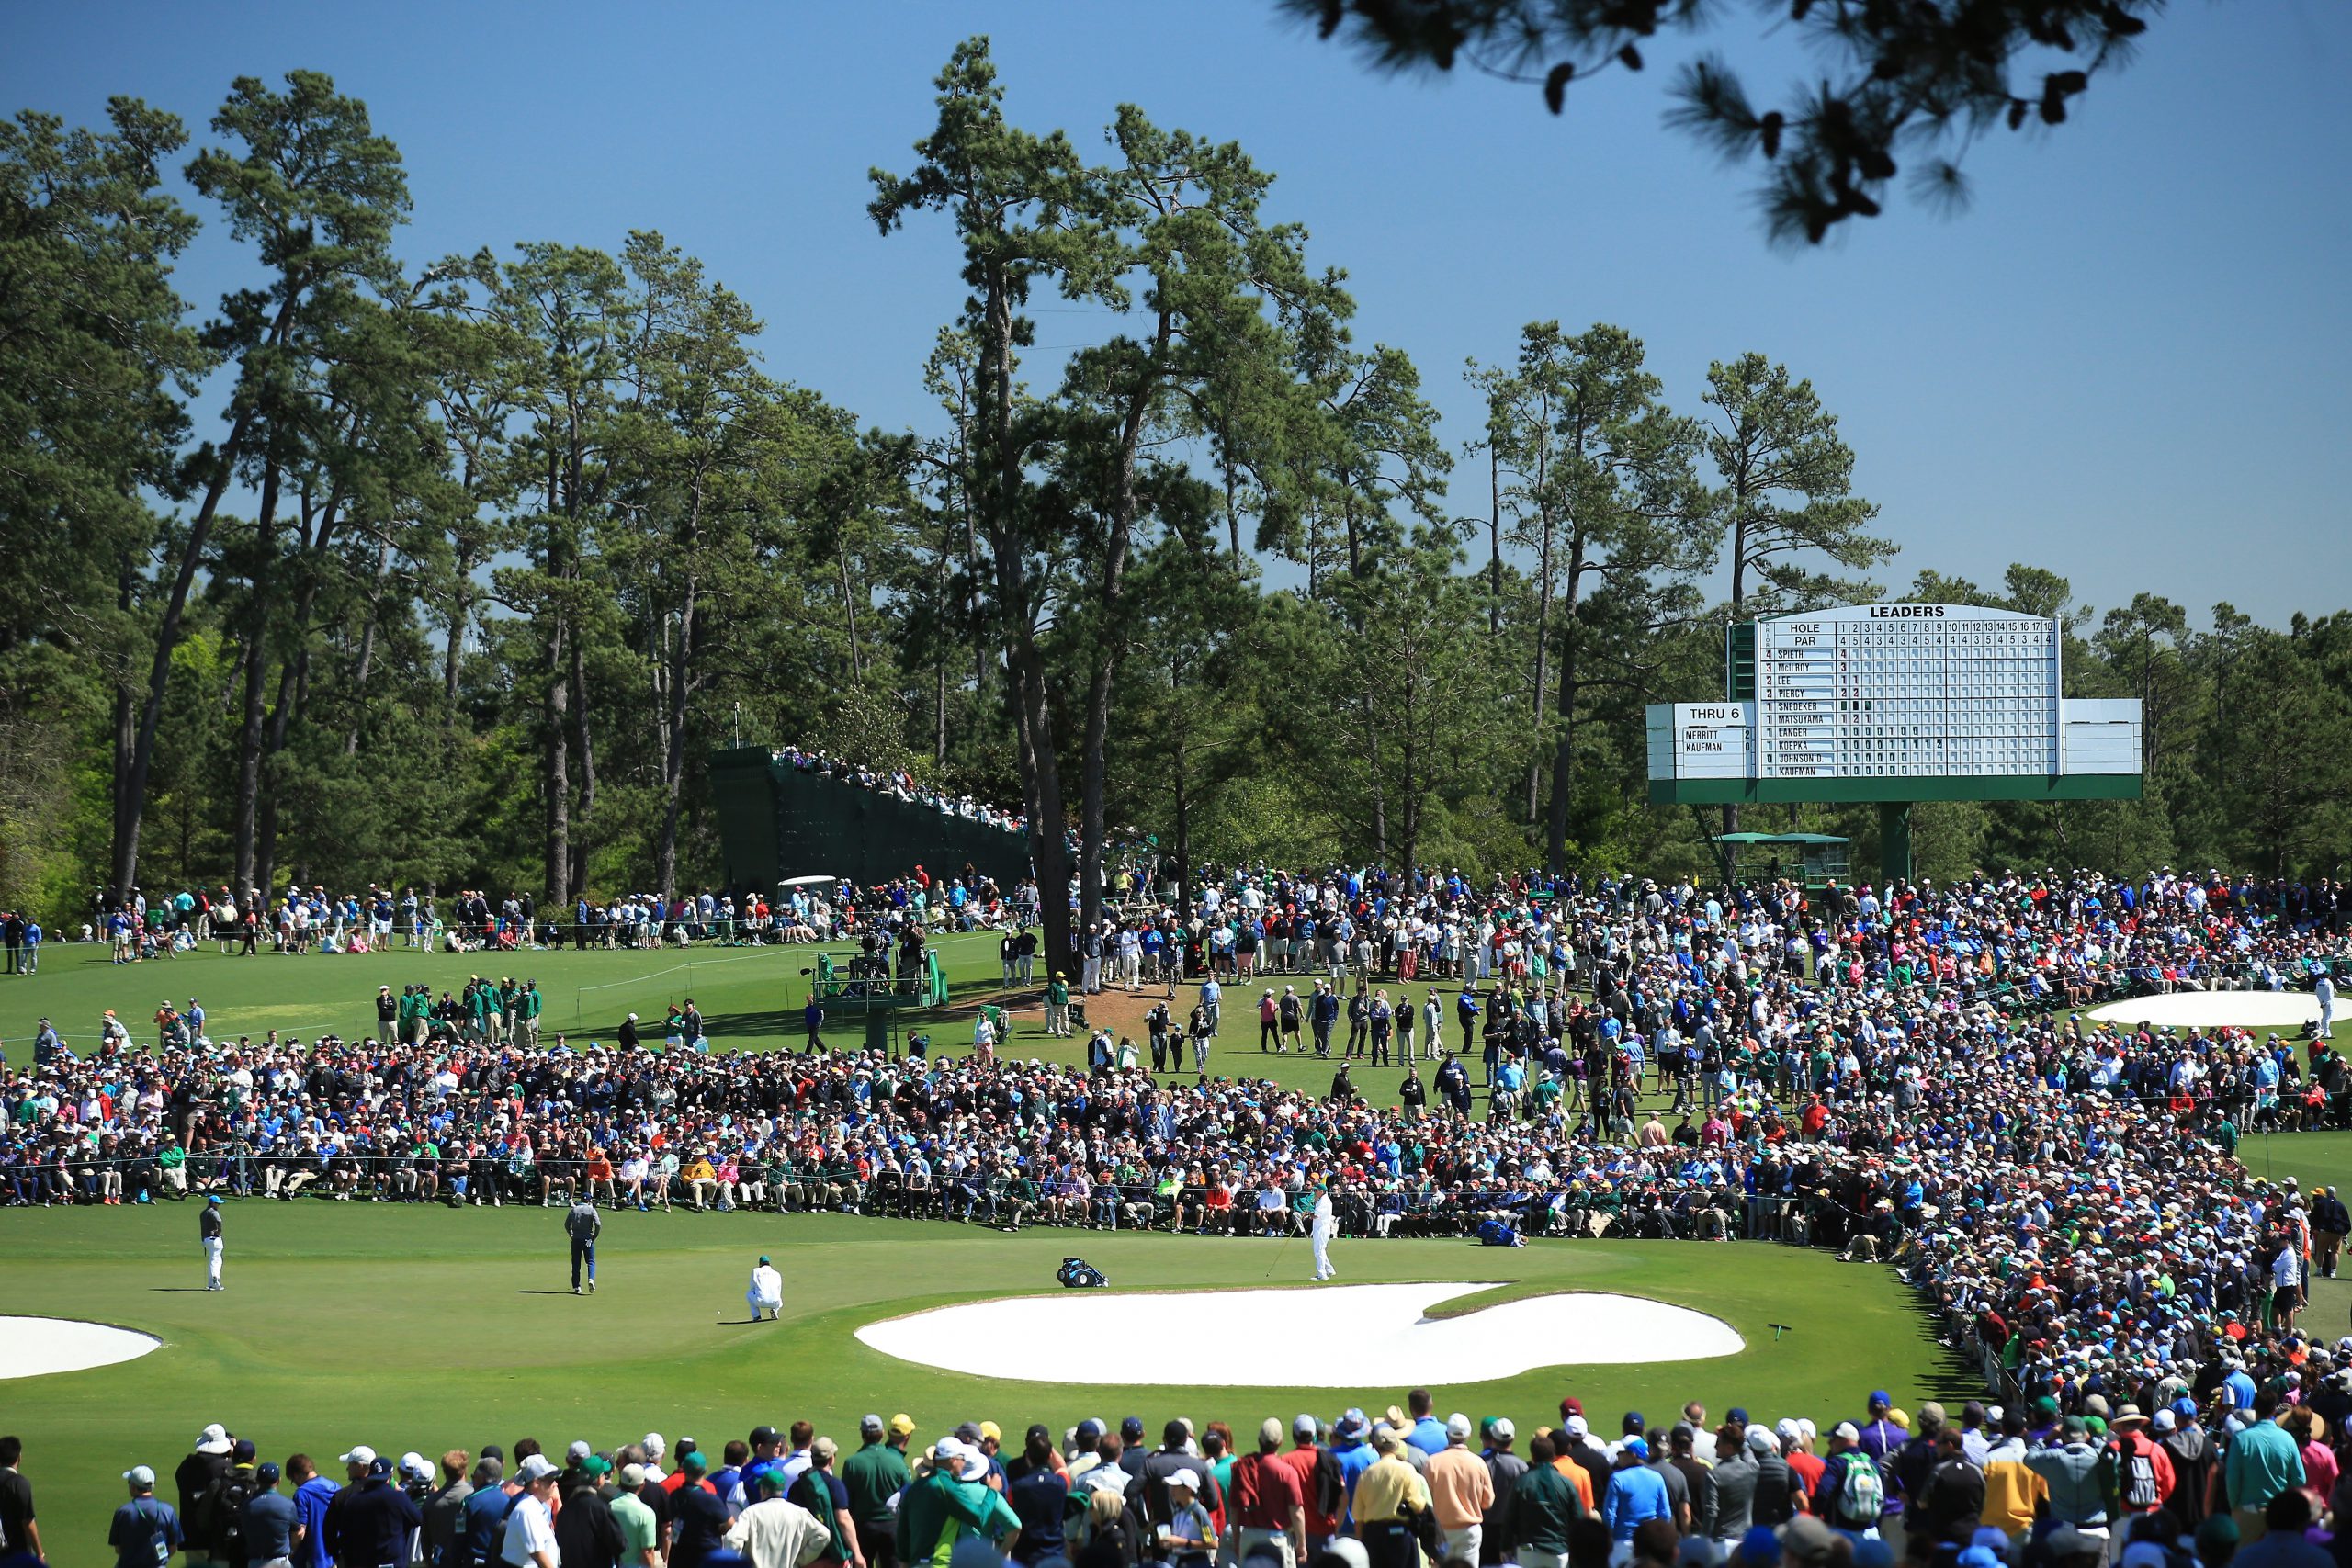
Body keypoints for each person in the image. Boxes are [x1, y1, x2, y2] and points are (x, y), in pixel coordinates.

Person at [842, 1417, 912, 1568]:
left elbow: (847, 1500)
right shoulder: (897, 1461)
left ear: (862, 1434)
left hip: (863, 1527)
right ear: (882, 1433)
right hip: (892, 1527)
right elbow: (907, 1494)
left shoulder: (852, 1463)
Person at [501, 1455, 561, 1568]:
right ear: (536, 1483)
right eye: (550, 1481)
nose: (555, 1484)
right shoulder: (527, 1510)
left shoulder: (534, 1507)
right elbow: (537, 1553)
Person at [240, 1462, 300, 1568]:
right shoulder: (288, 1504)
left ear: (257, 1480)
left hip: (256, 1562)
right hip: (280, 1562)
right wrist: (292, 1550)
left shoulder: (247, 1505)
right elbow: (296, 1534)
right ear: (278, 1481)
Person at [0, 1436, 40, 1565]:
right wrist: (40, 1553)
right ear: (19, 1457)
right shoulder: (19, 1484)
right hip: (16, 1553)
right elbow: (28, 1521)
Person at [568, 1195, 602, 1295]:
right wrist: (594, 1236)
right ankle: (590, 1279)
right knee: (590, 1261)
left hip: (576, 1239)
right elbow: (598, 1224)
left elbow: (566, 1224)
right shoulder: (591, 1210)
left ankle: (577, 1286)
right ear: (589, 1201)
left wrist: (570, 1233)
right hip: (588, 1239)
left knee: (576, 1263)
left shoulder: (573, 1210)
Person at [1310, 1182, 1337, 1283]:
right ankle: (1330, 1269)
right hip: (1320, 1228)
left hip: (1321, 1228)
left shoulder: (1323, 1201)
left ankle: (1322, 1275)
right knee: (1321, 1250)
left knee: (1319, 1251)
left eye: (1316, 1190)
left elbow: (1316, 1215)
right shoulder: (1322, 1200)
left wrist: (1307, 1214)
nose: (1314, 1192)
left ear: (1321, 1191)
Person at [748, 1255, 784, 1321]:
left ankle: (757, 1316)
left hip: (760, 1301)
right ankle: (775, 1310)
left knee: (749, 1294)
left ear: (760, 1263)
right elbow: (779, 1290)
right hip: (775, 1302)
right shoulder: (777, 1273)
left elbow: (752, 1286)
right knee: (779, 1301)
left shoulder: (756, 1270)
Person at [200, 1196, 226, 1290]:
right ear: (213, 1203)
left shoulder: (203, 1213)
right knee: (217, 1260)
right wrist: (219, 1231)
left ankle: (211, 1284)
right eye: (218, 1203)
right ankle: (215, 1277)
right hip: (215, 1239)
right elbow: (219, 1220)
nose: (219, 1205)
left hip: (206, 1239)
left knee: (212, 1260)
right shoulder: (213, 1212)